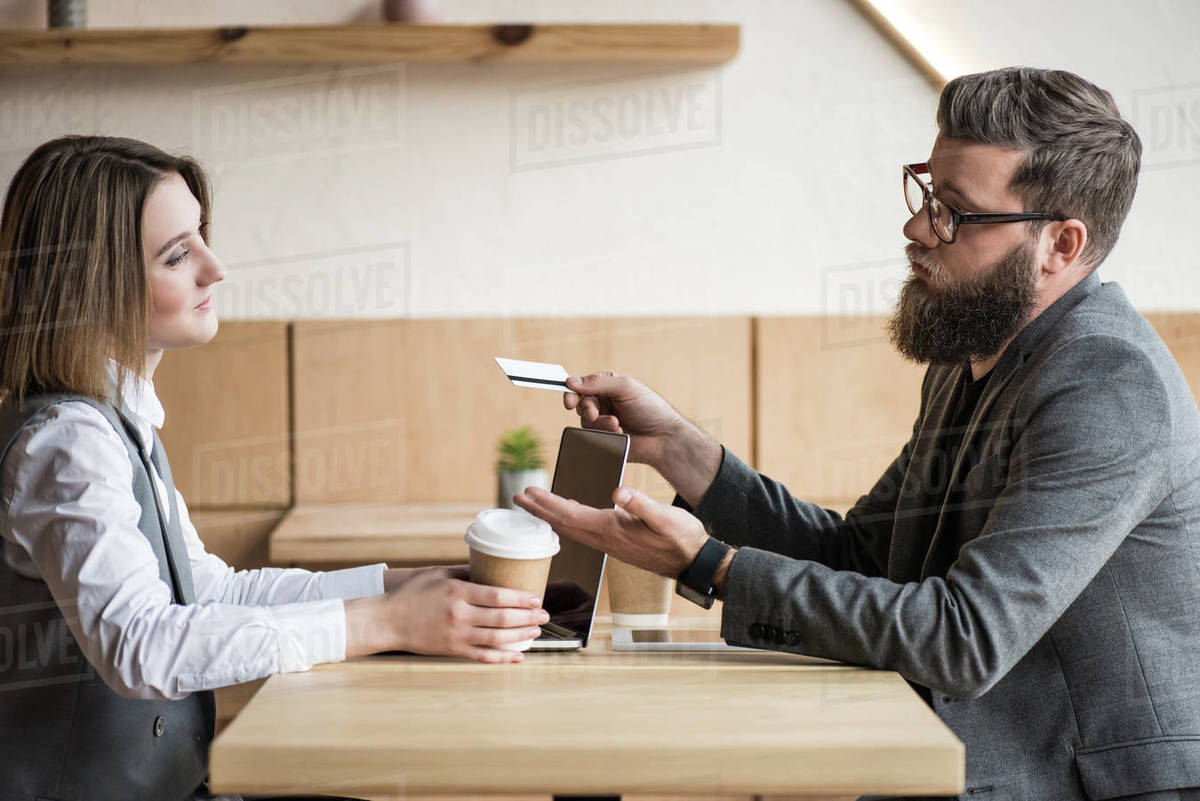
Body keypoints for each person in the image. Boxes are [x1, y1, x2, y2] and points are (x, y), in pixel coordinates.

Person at [515, 67, 1200, 800]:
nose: (916, 228)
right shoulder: (973, 354)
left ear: (1060, 245)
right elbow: (864, 556)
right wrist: (684, 452)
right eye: (925, 192)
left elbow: (964, 638)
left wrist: (713, 564)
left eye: (954, 213)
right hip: (947, 759)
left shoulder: (1107, 383)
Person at [0, 136, 549, 801]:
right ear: (95, 283)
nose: (215, 267)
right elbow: (139, 645)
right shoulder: (68, 445)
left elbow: (209, 590)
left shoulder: (115, 425)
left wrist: (399, 586)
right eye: (179, 253)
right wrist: (388, 623)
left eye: (201, 238)